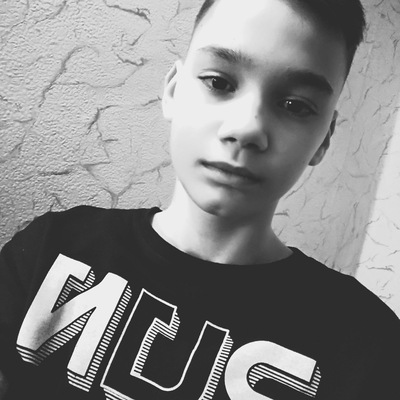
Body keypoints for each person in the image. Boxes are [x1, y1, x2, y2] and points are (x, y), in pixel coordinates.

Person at [0, 0, 399, 399]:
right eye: (219, 83)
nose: (246, 128)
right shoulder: (52, 247)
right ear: (173, 90)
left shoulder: (369, 345)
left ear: (325, 138)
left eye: (295, 105)